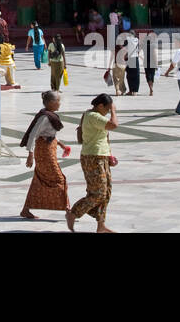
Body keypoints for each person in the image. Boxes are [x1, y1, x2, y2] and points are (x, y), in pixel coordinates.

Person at [66, 93, 118, 233]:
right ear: (100, 106)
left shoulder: (97, 116)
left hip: (101, 156)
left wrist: (109, 155)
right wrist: (114, 111)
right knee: (98, 192)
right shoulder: (93, 116)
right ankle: (73, 213)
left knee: (106, 192)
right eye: (107, 108)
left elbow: (104, 137)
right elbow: (113, 125)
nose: (108, 111)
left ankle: (101, 225)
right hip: (93, 157)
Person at [19, 90, 71, 220]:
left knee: (39, 179)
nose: (59, 103)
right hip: (44, 152)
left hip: (50, 148)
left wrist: (60, 144)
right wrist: (30, 154)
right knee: (59, 179)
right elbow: (33, 134)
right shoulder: (44, 117)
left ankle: (26, 209)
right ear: (52, 102)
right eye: (58, 101)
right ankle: (68, 209)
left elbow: (49, 134)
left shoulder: (50, 115)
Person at [107, 30, 127, 96]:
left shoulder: (114, 49)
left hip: (115, 64)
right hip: (122, 65)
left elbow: (111, 58)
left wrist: (109, 67)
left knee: (115, 79)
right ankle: (122, 90)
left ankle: (117, 90)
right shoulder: (124, 49)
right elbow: (126, 58)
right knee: (121, 79)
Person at [125, 31, 141, 95]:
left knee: (131, 75)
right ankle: (133, 91)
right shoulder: (137, 40)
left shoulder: (131, 40)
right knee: (133, 75)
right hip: (134, 58)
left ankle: (133, 90)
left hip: (131, 58)